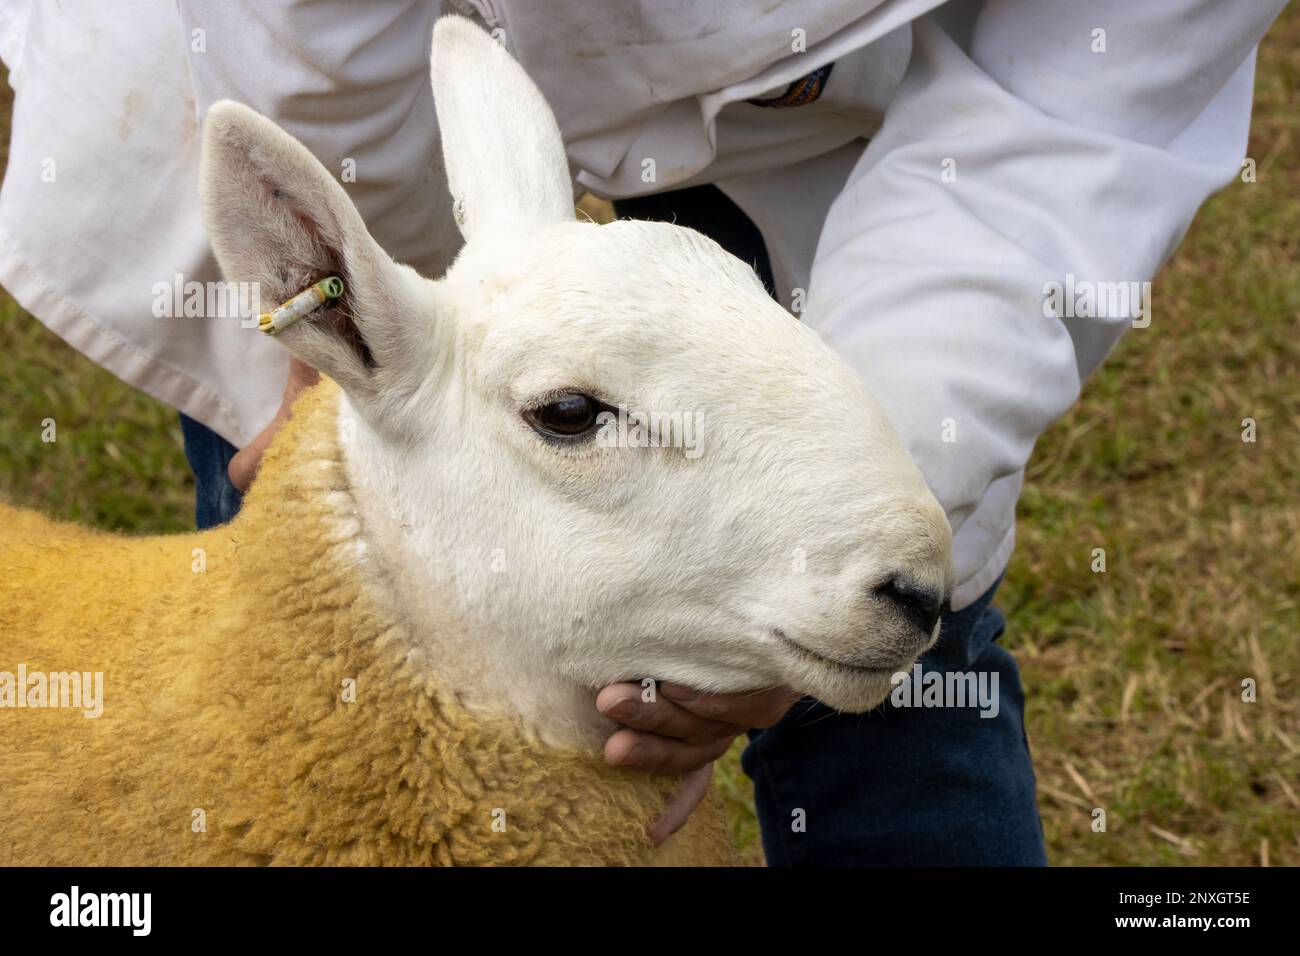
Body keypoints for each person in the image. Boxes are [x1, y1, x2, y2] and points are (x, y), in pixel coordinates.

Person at [0, 0, 1284, 864]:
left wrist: (894, 472)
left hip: (806, 78)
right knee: (318, 636)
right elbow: (308, 35)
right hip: (305, 74)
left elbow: (1064, 112)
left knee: (884, 637)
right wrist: (395, 350)